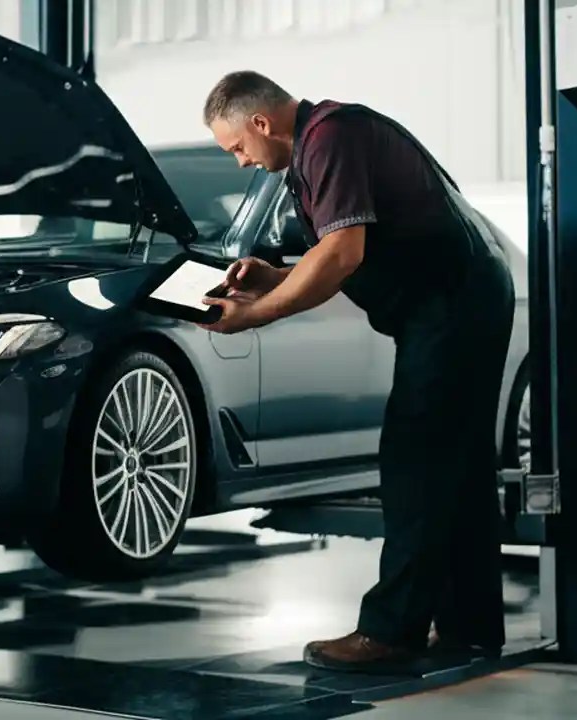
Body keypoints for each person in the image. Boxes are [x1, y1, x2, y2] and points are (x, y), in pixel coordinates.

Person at [196, 71, 515, 673]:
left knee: (414, 458)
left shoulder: (331, 136)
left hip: (451, 299)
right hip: (462, 294)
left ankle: (390, 633)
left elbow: (344, 254)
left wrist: (256, 314)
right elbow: (334, 251)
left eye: (236, 147)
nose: (239, 162)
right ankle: (472, 629)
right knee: (458, 465)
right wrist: (271, 276)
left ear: (261, 123)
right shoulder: (315, 148)